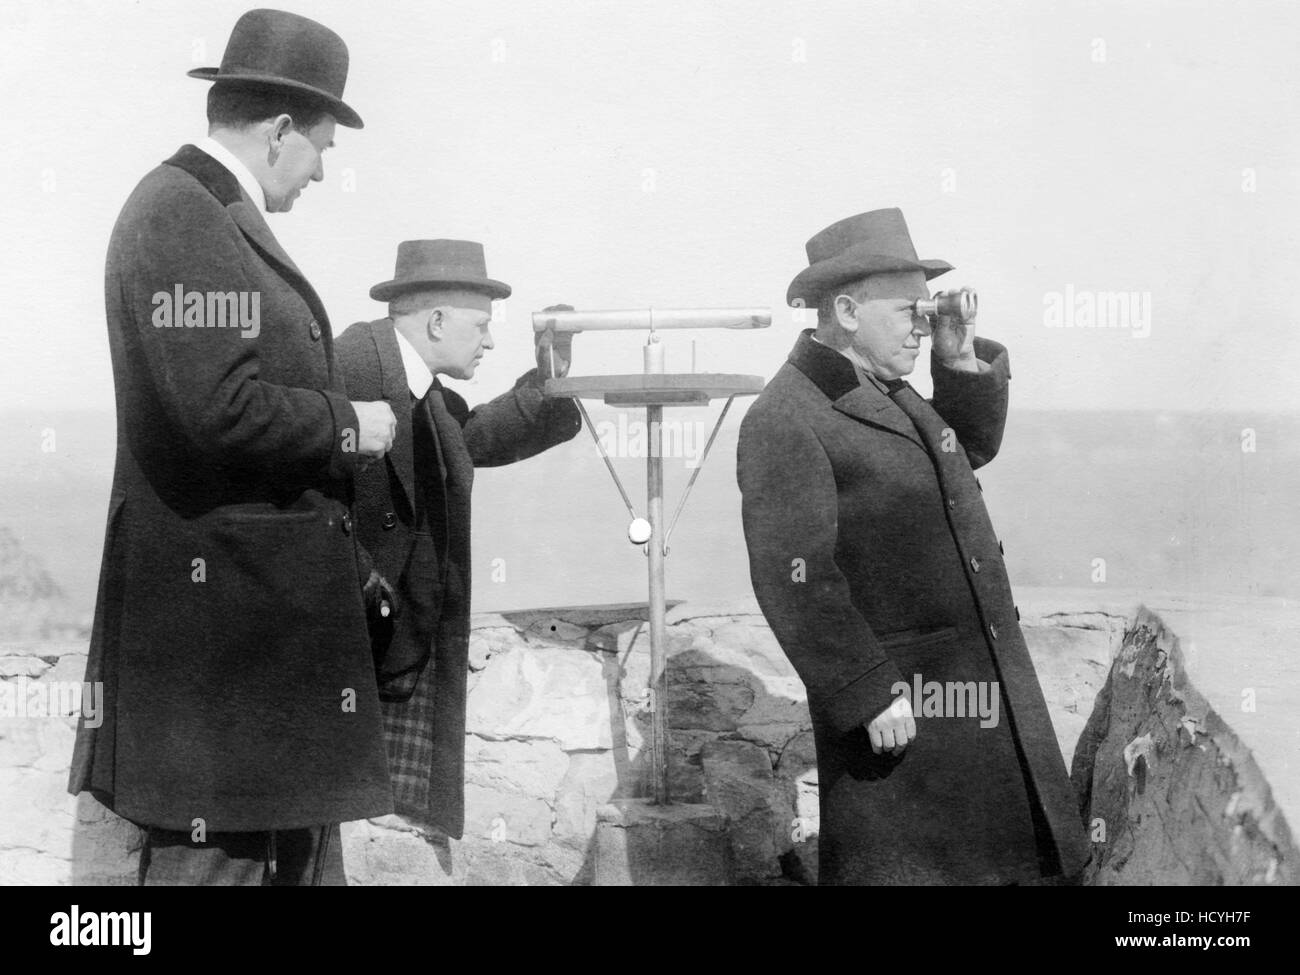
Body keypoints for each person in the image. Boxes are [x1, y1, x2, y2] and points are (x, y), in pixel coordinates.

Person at [68, 9, 398, 885]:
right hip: (223, 642)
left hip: (256, 634)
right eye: (322, 146)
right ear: (282, 129)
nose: (324, 171)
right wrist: (347, 424)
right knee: (217, 868)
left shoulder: (201, 213)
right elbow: (214, 408)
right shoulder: (181, 216)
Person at [736, 207, 1090, 885]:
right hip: (901, 713)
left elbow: (961, 456)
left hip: (966, 703)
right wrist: (866, 690)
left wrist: (957, 362)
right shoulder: (786, 416)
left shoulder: (888, 390)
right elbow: (793, 574)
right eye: (908, 310)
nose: (923, 323)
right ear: (845, 309)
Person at [336, 239, 581, 839]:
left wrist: (551, 375)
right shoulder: (351, 368)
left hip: (375, 645)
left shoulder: (419, 387)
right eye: (481, 326)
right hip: (334, 646)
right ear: (436, 321)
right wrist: (366, 588)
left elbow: (472, 438)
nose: (490, 342)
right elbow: (297, 498)